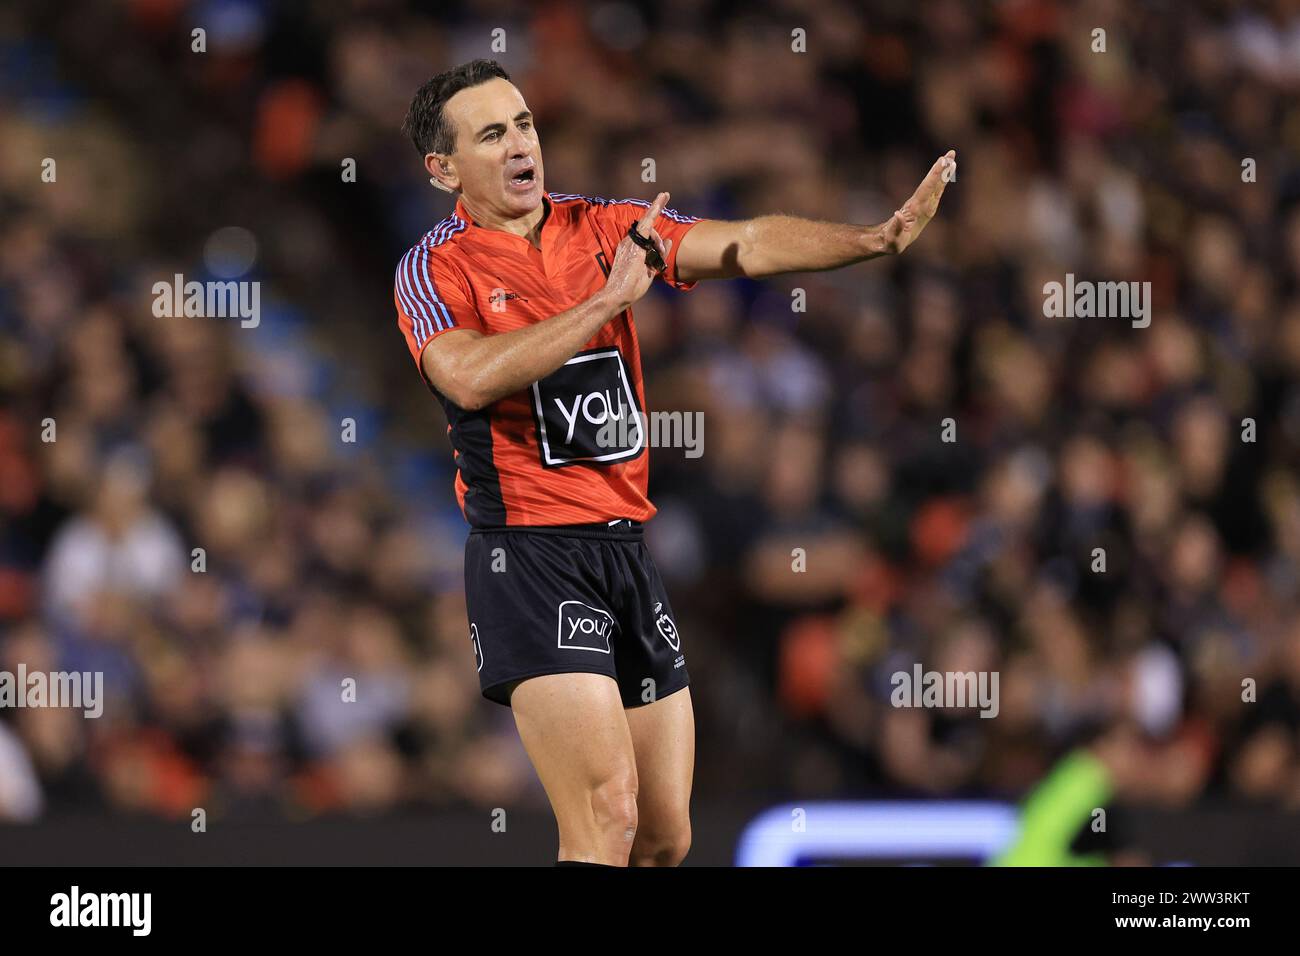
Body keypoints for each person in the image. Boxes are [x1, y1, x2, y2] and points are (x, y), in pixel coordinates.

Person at [394, 58, 956, 866]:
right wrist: (606, 303)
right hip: (531, 558)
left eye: (524, 123)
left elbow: (746, 244)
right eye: (492, 134)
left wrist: (875, 238)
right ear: (443, 168)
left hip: (626, 551)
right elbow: (466, 376)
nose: (521, 144)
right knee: (605, 816)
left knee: (664, 837)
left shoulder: (603, 226)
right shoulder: (436, 267)